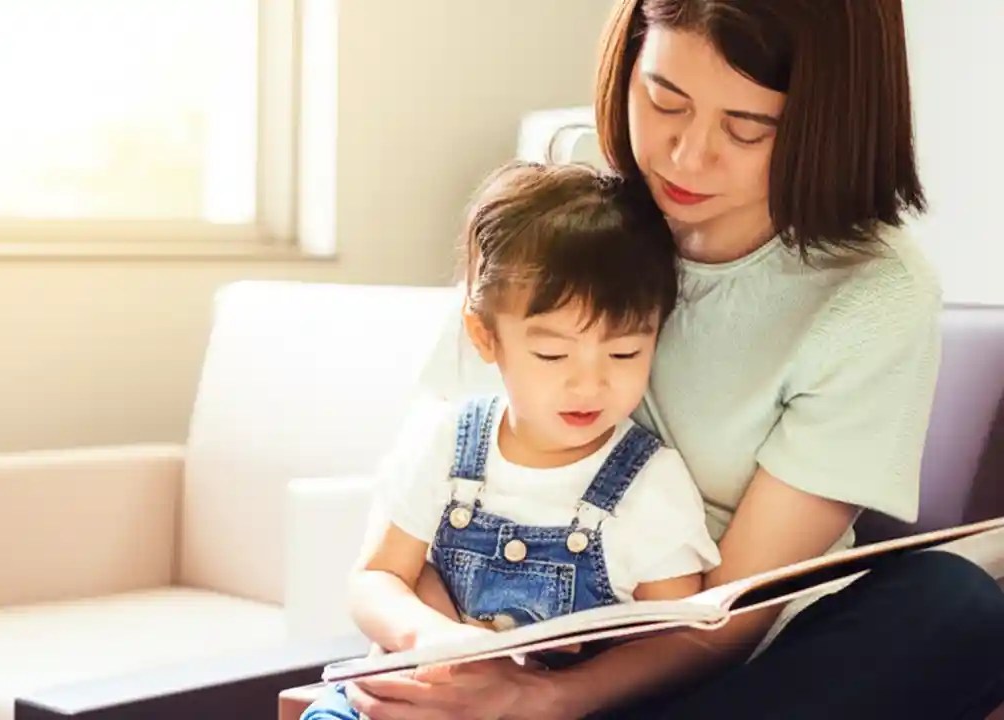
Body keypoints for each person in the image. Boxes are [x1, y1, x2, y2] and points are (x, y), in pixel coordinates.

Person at [342, 1, 1004, 718]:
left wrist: (550, 700)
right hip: (496, 633)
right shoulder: (562, 203)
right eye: (664, 99)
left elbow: (734, 609)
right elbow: (432, 493)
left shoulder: (874, 292)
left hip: (723, 662)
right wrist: (455, 661)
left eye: (748, 128)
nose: (686, 157)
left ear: (828, 121)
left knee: (954, 605)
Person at [302, 162, 721, 720]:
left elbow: (678, 644)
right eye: (552, 354)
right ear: (486, 337)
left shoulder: (649, 483)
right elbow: (377, 576)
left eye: (624, 353)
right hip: (423, 692)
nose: (589, 383)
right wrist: (425, 637)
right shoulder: (450, 441)